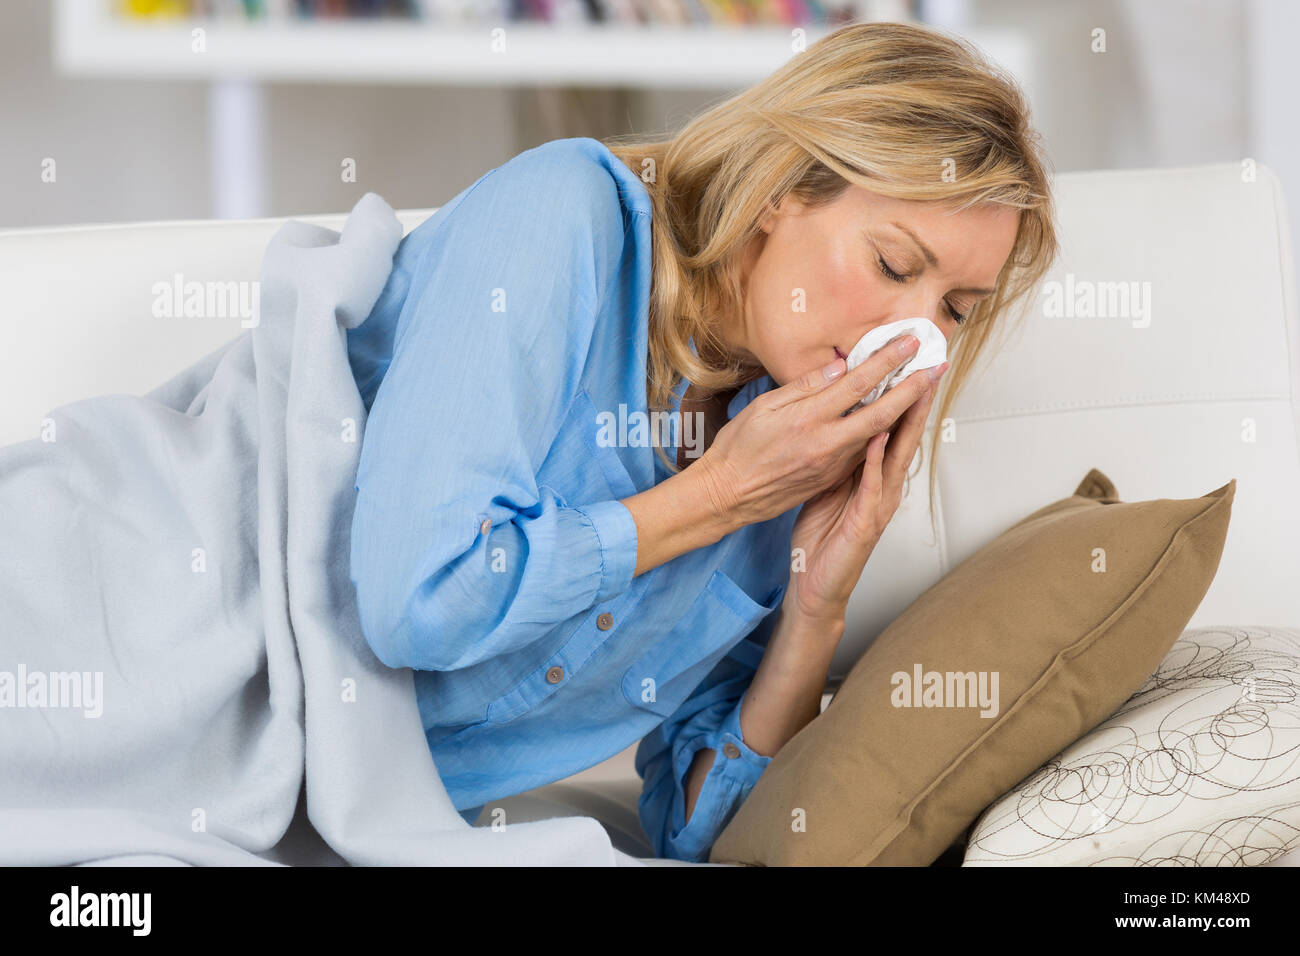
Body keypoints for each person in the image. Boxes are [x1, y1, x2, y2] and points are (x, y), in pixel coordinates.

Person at [345, 20, 1058, 862]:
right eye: (895, 267)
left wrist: (814, 608)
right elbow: (415, 604)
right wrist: (714, 497)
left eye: (955, 310)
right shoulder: (562, 214)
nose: (912, 336)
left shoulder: (782, 465)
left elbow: (698, 833)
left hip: (328, 797)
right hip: (180, 637)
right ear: (781, 188)